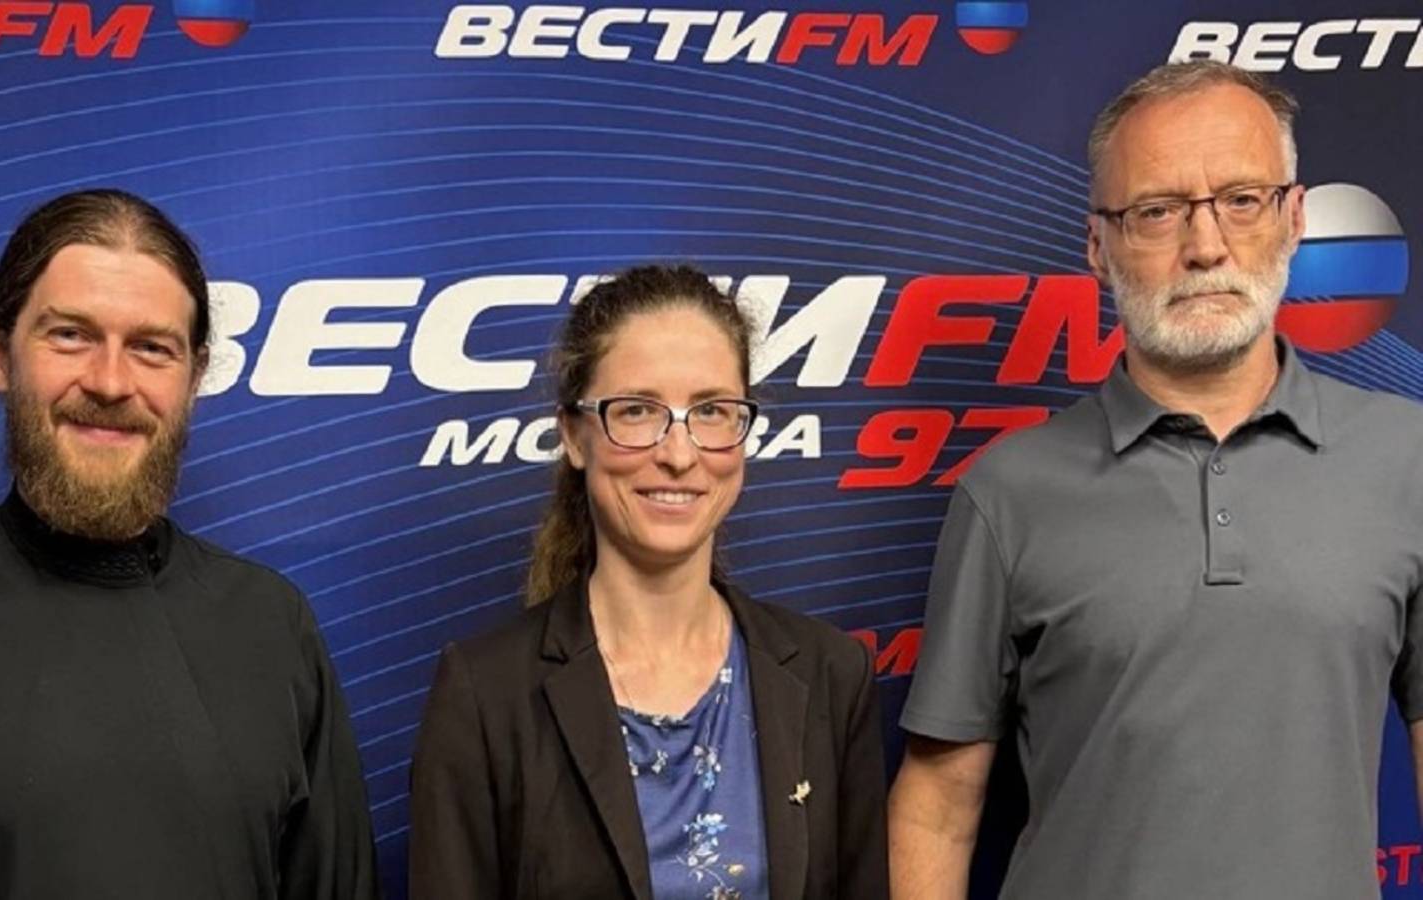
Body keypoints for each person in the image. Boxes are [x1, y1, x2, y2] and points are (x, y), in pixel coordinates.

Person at [887, 59, 1423, 899]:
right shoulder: (1007, 492)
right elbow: (938, 806)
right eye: (1157, 212)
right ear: (1098, 247)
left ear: (1293, 219)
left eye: (1241, 200)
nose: (1204, 247)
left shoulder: (1407, 459)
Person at [0, 189, 381, 900]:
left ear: (194, 376)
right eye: (70, 336)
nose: (111, 382)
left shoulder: (273, 625)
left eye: (151, 348)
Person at [408, 264, 888, 899]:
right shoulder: (485, 693)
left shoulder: (831, 674)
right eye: (637, 411)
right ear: (574, 436)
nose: (679, 454)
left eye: (711, 411)